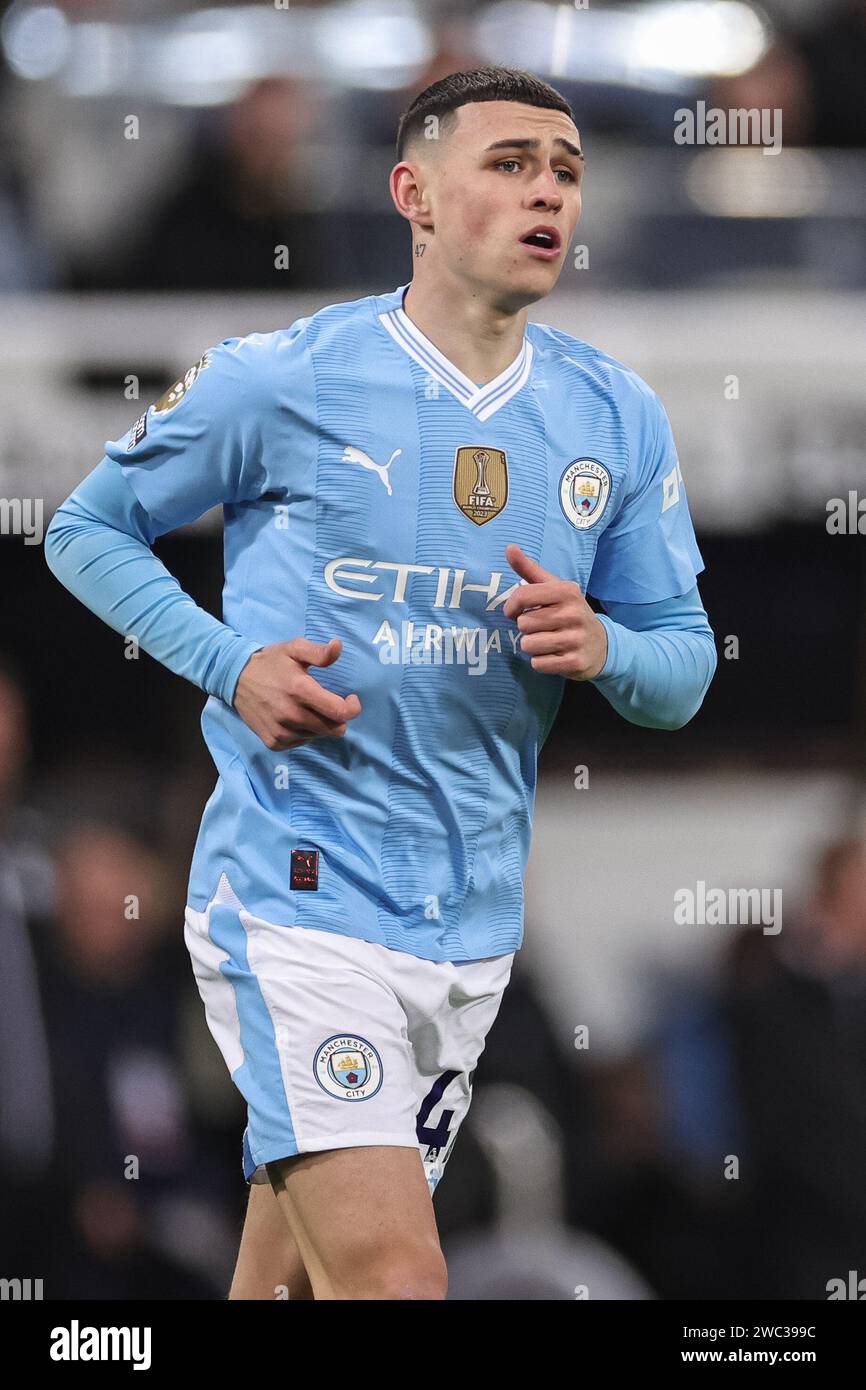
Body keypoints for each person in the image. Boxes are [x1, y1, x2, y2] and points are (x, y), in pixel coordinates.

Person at [44, 66, 717, 1301]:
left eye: (565, 170)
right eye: (509, 163)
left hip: (468, 927)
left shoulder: (612, 417)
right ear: (413, 192)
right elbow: (84, 529)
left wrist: (607, 647)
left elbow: (679, 665)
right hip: (298, 895)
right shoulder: (285, 376)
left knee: (289, 1284)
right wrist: (226, 660)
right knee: (397, 1281)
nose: (547, 191)